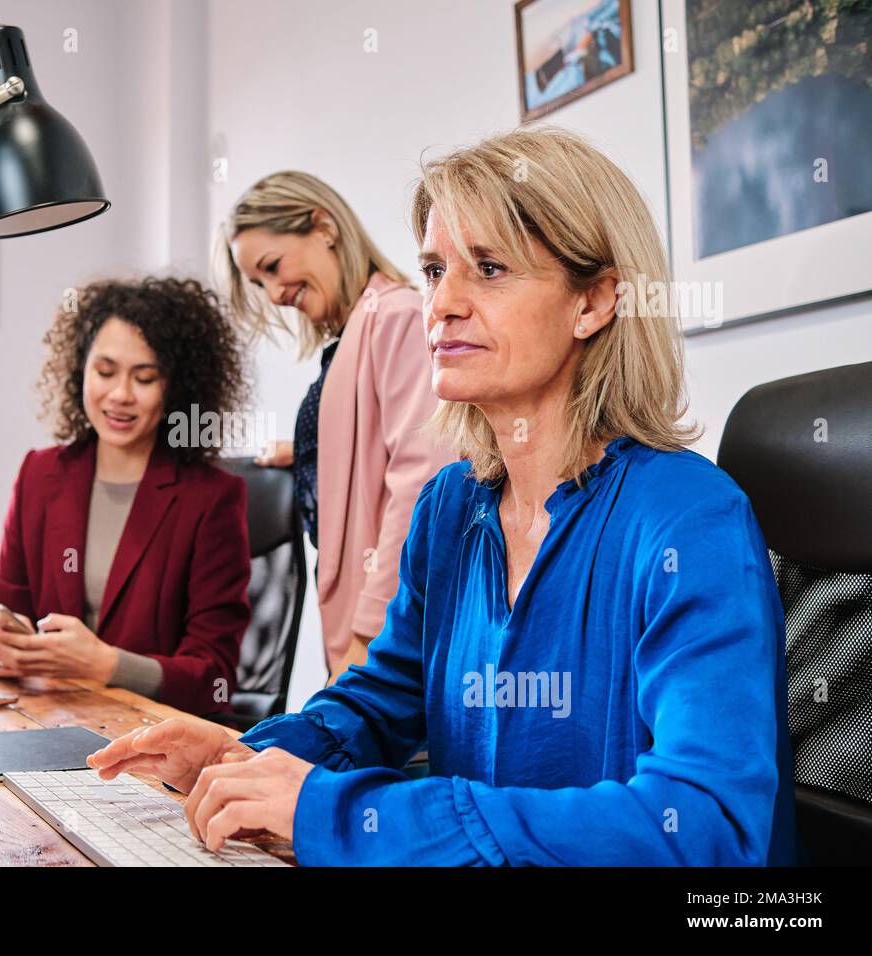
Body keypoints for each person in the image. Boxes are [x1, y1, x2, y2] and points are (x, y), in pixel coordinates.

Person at [88, 127, 800, 865]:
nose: (442, 304)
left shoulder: (692, 520)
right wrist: (245, 755)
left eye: (488, 268)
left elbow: (704, 824)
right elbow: (381, 700)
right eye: (433, 269)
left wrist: (342, 814)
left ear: (593, 301)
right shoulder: (451, 508)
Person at [0, 277, 252, 716]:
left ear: (178, 388)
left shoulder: (212, 498)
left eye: (145, 377)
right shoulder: (40, 475)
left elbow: (214, 679)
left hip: (146, 740)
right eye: (105, 371)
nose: (120, 395)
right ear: (81, 369)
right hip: (45, 722)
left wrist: (105, 664)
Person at [220, 171, 455, 681]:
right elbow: (372, 444)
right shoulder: (358, 330)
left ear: (323, 226)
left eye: (271, 267)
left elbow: (420, 483)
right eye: (260, 284)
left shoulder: (393, 317)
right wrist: (306, 450)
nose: (274, 294)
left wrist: (365, 637)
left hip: (382, 636)